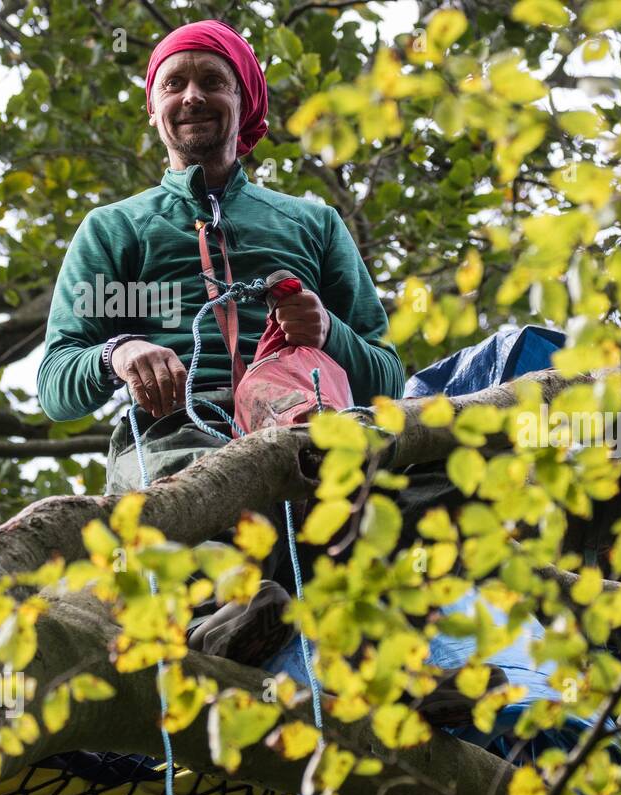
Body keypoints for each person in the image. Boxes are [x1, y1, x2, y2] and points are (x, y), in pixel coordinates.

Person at [37, 19, 405, 664]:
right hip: (174, 431)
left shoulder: (311, 223)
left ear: (246, 103)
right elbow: (56, 385)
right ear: (153, 109)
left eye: (214, 81)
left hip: (304, 425)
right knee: (180, 501)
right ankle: (224, 615)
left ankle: (402, 662)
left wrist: (330, 334)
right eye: (173, 83)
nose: (192, 96)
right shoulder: (115, 229)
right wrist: (117, 352)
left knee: (391, 502)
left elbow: (390, 379)